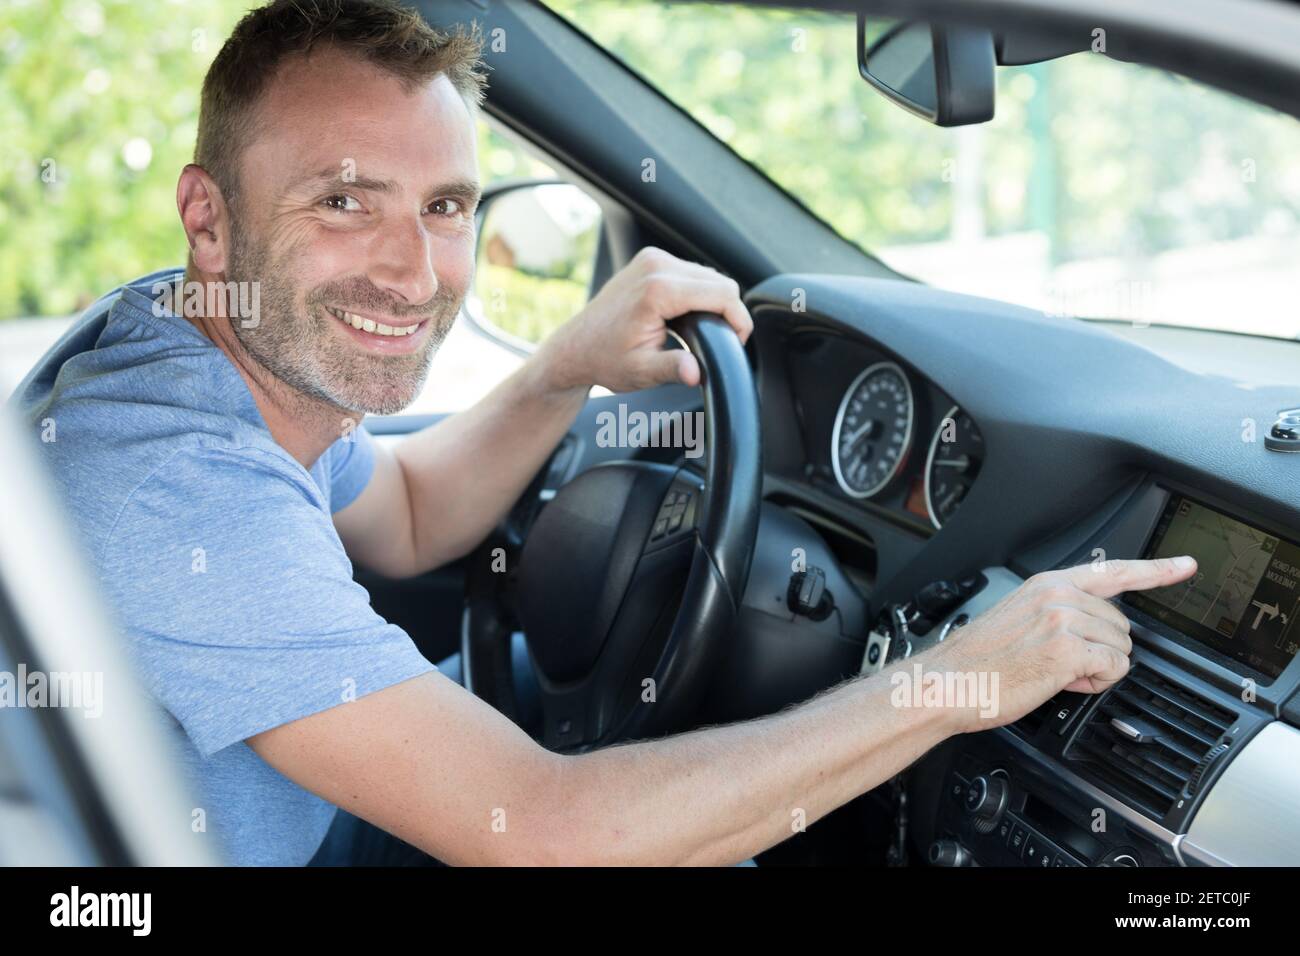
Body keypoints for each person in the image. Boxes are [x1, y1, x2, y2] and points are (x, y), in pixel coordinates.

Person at [13, 0, 1196, 866]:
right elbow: (538, 829)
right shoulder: (170, 479)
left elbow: (412, 512)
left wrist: (569, 361)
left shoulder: (191, 338)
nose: (415, 270)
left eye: (445, 207)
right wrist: (954, 678)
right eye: (343, 200)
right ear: (207, 221)